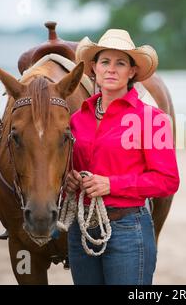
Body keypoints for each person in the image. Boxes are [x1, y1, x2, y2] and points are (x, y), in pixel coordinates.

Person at [64, 29, 179, 285]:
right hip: (80, 229)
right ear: (94, 68)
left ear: (132, 72)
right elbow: (66, 168)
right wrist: (68, 182)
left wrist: (112, 184)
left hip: (128, 229)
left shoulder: (152, 120)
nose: (111, 69)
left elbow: (168, 181)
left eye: (121, 63)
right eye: (105, 62)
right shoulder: (76, 119)